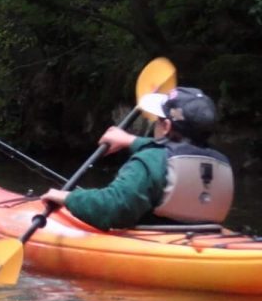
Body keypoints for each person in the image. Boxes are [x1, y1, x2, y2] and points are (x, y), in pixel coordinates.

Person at [42, 86, 232, 229]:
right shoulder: (221, 162)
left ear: (166, 127)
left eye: (158, 120)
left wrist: (68, 197)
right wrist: (130, 141)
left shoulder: (150, 160)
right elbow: (173, 153)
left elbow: (112, 208)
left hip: (155, 243)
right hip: (203, 237)